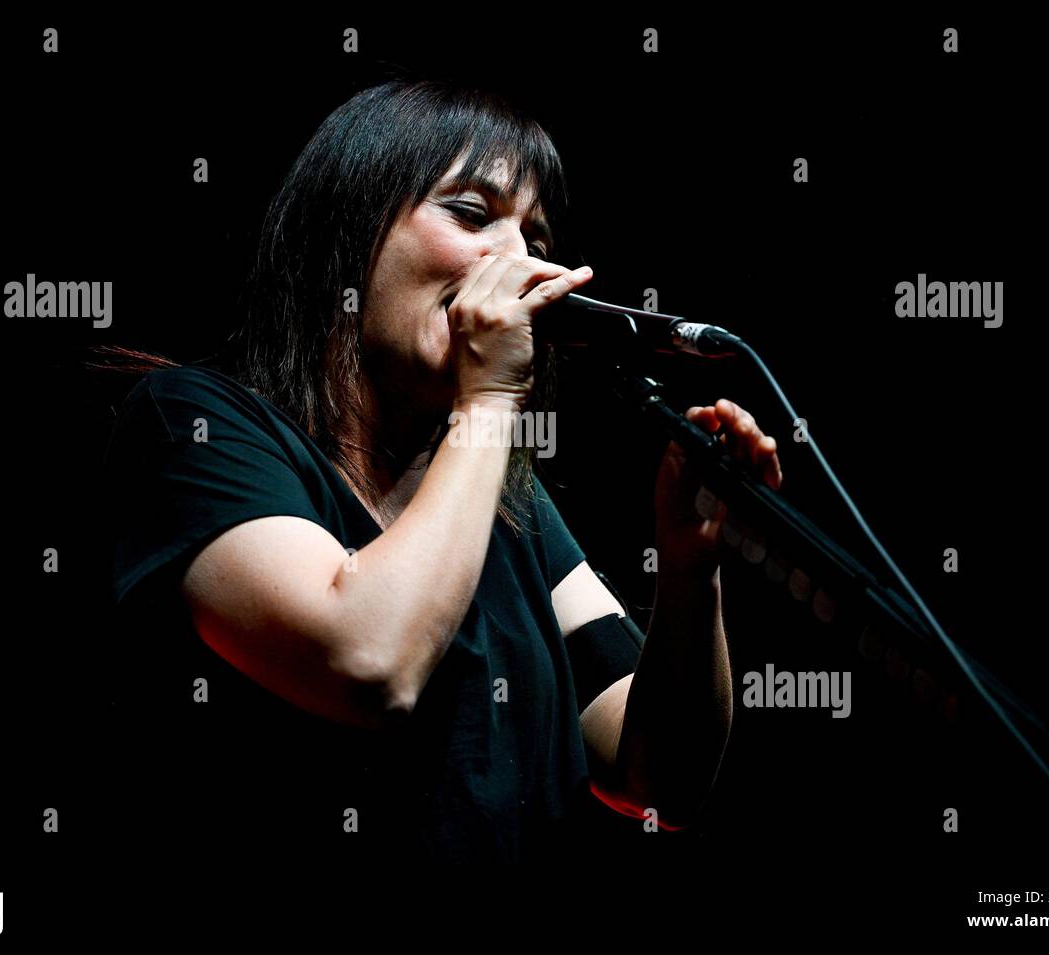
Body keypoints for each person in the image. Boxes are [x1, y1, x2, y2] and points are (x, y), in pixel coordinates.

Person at [97, 77, 783, 864]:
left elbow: (662, 781)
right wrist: (488, 396)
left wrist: (692, 569)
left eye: (538, 240)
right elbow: (368, 663)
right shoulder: (196, 423)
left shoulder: (508, 508)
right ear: (348, 231)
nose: (521, 264)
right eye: (472, 213)